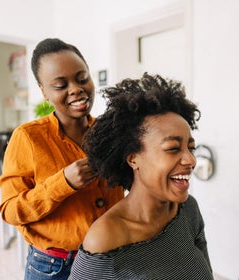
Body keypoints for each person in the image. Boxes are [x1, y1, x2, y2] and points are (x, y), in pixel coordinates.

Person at [0, 38, 124, 280]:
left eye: (81, 78)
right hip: (55, 267)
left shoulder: (110, 133)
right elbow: (10, 211)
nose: (76, 89)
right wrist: (63, 183)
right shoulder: (27, 138)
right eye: (60, 84)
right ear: (44, 91)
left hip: (109, 258)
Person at [69, 73, 213, 279]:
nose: (190, 160)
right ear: (133, 158)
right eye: (173, 148)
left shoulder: (188, 209)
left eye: (190, 148)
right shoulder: (106, 237)